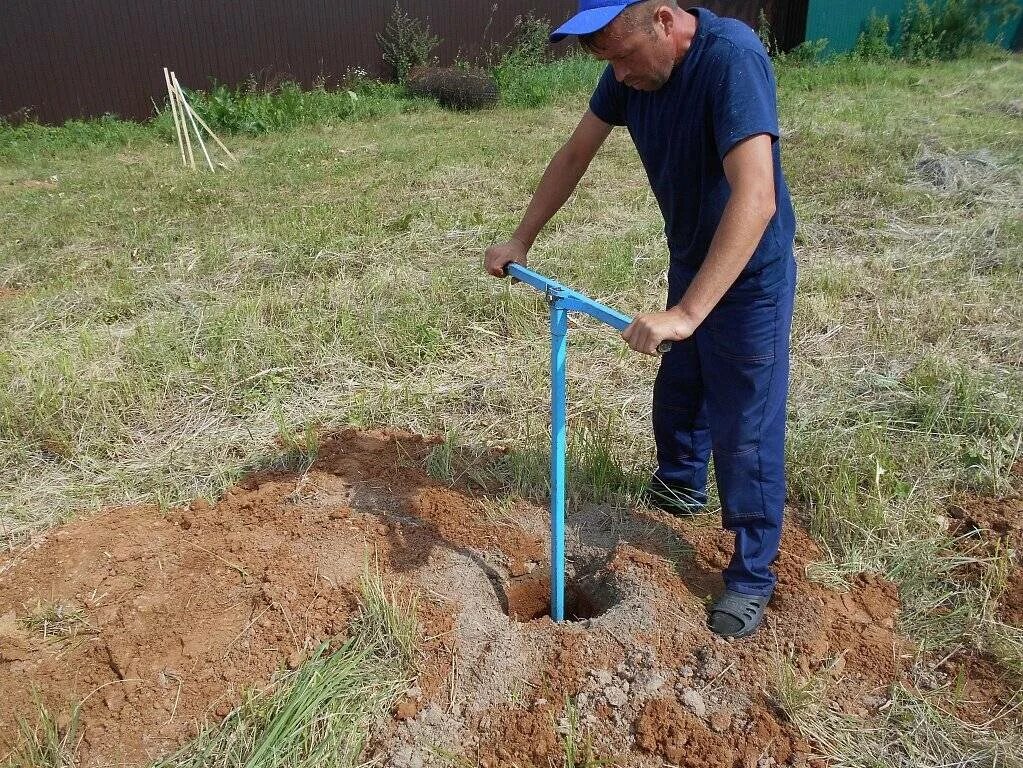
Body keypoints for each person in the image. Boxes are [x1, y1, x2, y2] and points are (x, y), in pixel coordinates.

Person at [484, 0, 797, 638]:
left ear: (661, 19)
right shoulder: (627, 73)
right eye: (605, 62)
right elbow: (575, 155)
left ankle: (750, 575)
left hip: (748, 273)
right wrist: (522, 239)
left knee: (745, 422)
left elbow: (757, 196)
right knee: (680, 393)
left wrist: (687, 313)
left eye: (621, 56)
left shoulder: (730, 59)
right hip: (692, 257)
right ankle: (681, 490)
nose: (618, 76)